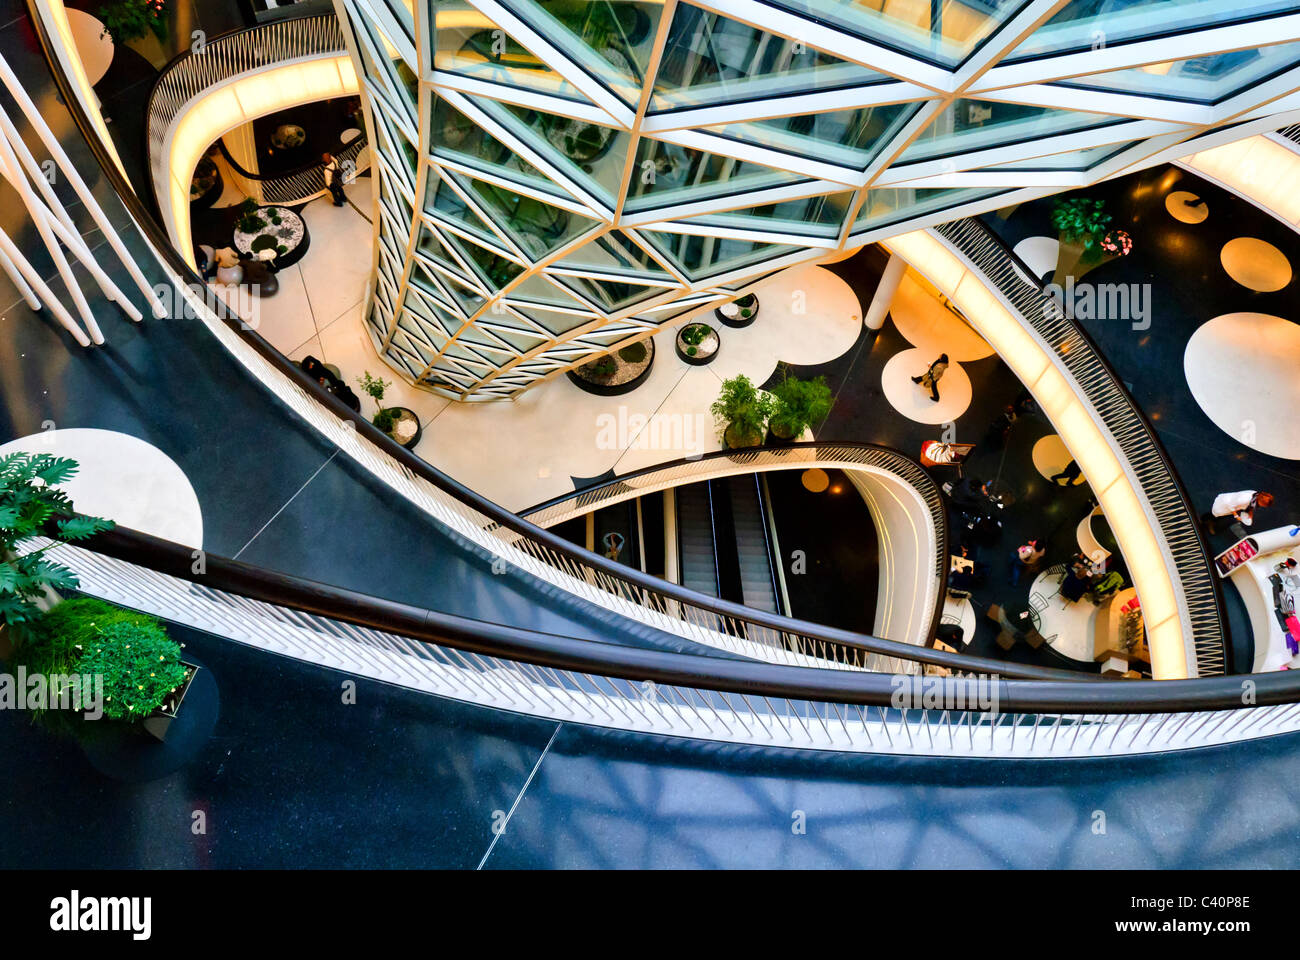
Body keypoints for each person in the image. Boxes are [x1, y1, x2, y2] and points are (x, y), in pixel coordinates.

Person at [1203, 490, 1274, 537]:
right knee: (1216, 514)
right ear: (1261, 501)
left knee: (1222, 517)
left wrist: (1250, 514)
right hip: (1225, 504)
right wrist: (1236, 516)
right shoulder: (1244, 499)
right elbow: (1230, 505)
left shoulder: (1256, 495)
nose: (1263, 507)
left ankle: (1211, 520)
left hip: (1236, 506)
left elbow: (1252, 506)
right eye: (1263, 505)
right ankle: (1205, 520)